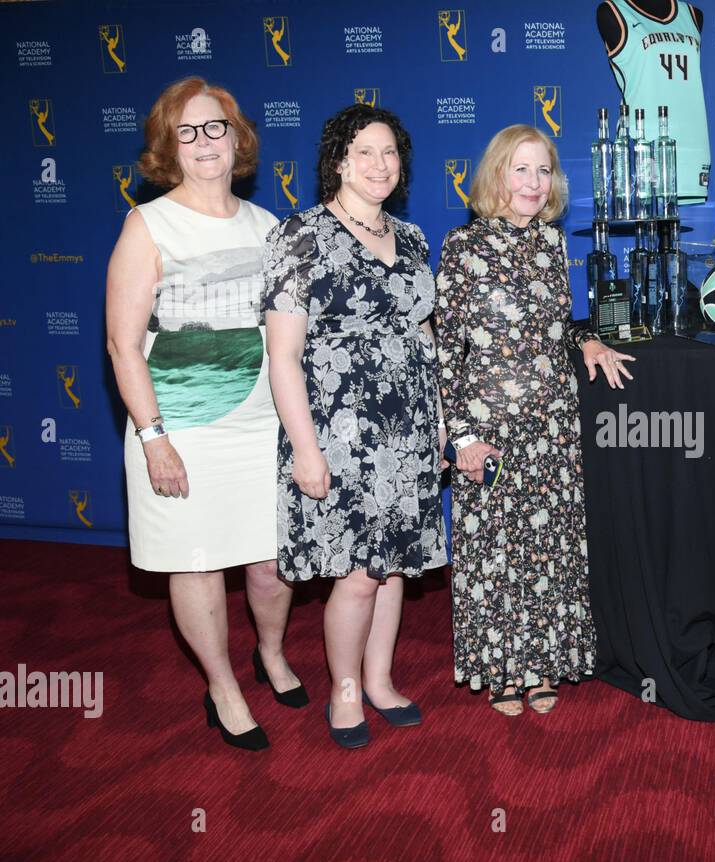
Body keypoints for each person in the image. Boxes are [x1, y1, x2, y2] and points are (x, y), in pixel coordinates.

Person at [105, 77, 302, 753]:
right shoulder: (149, 224)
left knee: (272, 563)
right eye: (185, 132)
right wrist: (155, 438)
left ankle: (270, 654)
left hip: (262, 425)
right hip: (183, 429)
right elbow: (122, 345)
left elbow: (290, 338)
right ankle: (222, 687)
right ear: (168, 146)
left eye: (214, 127)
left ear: (236, 135)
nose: (203, 142)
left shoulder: (267, 225)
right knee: (197, 563)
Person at [434, 124, 633, 717]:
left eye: (543, 170)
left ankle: (543, 660)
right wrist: (461, 438)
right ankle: (502, 667)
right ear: (497, 175)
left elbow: (549, 325)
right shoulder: (462, 247)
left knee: (548, 547)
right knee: (495, 547)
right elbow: (446, 348)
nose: (532, 182)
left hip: (552, 423)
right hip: (489, 425)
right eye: (520, 169)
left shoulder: (550, 244)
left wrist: (588, 340)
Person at [263, 104, 446, 749]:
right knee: (357, 573)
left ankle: (378, 678)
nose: (379, 165)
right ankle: (343, 688)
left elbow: (425, 333)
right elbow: (282, 354)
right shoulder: (301, 235)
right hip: (343, 434)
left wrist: (443, 421)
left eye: (390, 152)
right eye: (363, 152)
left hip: (412, 429)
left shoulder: (415, 238)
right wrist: (306, 451)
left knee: (395, 567)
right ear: (337, 161)